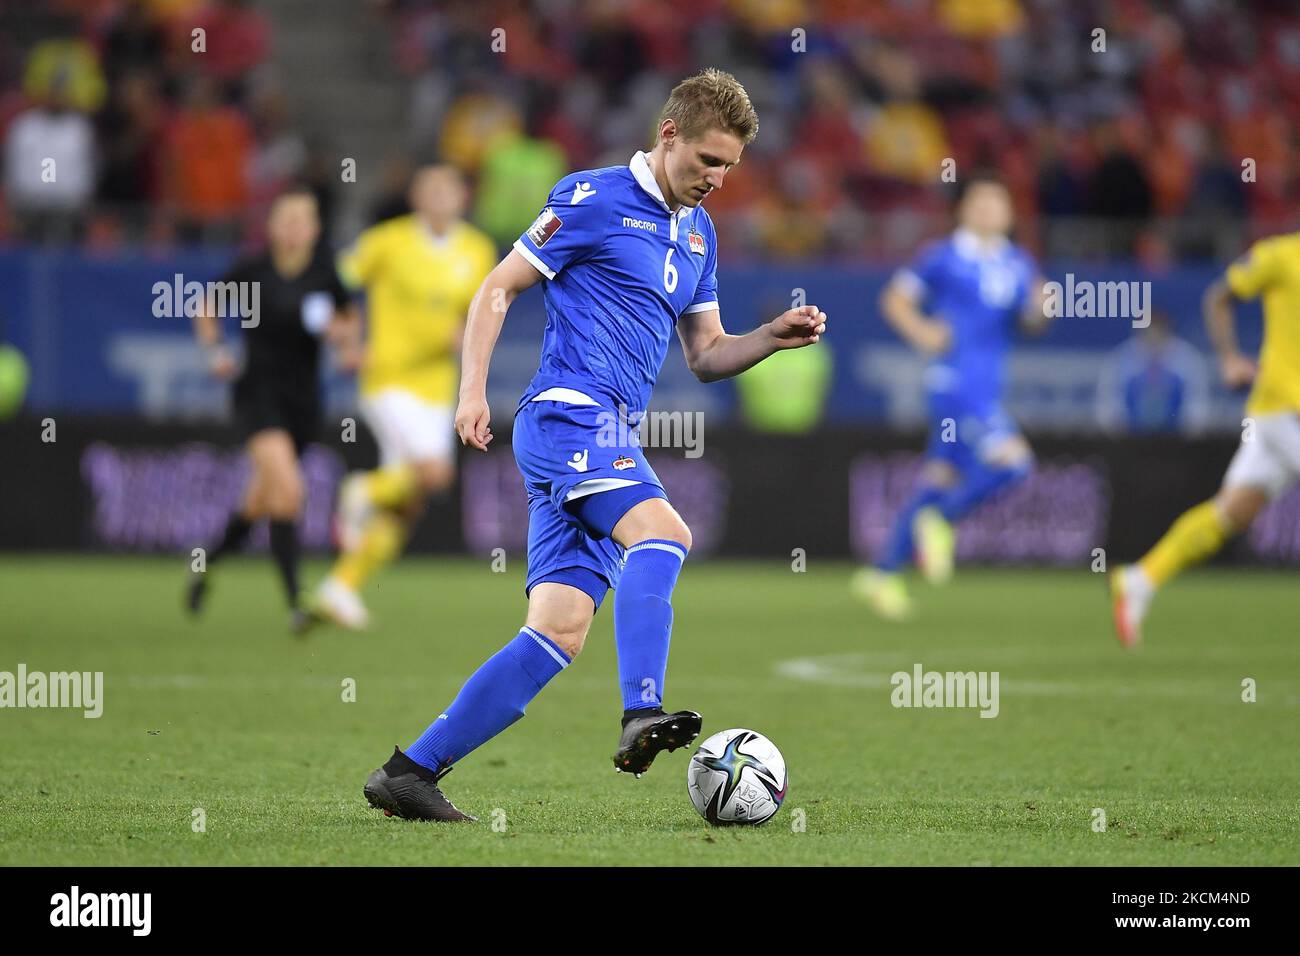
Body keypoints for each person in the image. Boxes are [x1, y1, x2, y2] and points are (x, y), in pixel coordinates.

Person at [361, 69, 828, 822]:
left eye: (729, 168)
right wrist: (471, 390)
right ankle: (641, 710)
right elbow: (497, 288)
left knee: (557, 631)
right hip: (568, 415)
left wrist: (772, 338)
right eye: (706, 160)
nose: (716, 179)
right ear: (668, 133)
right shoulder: (592, 198)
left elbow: (706, 356)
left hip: (603, 431)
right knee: (665, 534)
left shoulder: (700, 235)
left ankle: (409, 772)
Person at [310, 164, 496, 630]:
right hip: (388, 379)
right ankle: (360, 490)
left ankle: (340, 587)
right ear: (417, 195)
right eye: (430, 188)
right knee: (432, 474)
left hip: (437, 386)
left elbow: (481, 308)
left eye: (448, 189)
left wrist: (465, 333)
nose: (440, 198)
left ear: (462, 197)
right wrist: (345, 339)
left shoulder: (476, 250)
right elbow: (332, 288)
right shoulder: (387, 241)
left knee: (409, 501)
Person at [855, 173, 1047, 621]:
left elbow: (1033, 323)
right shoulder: (943, 257)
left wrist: (1043, 309)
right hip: (954, 385)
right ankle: (940, 522)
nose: (988, 210)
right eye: (979, 202)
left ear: (1009, 213)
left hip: (986, 386)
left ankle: (881, 574)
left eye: (996, 202)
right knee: (1015, 462)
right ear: (964, 210)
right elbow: (895, 299)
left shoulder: (1018, 263)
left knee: (937, 480)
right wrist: (923, 332)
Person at [1111, 233, 1300, 647]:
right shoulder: (1281, 256)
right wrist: (1230, 357)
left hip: (1277, 418)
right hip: (1283, 407)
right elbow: (1219, 296)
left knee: (1232, 513)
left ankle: (1140, 579)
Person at [188, 188, 357, 633]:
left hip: (303, 401)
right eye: (286, 219)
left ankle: (206, 567)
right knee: (289, 492)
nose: (294, 228)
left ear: (315, 229)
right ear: (272, 226)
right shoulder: (253, 269)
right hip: (258, 394)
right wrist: (215, 350)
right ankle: (297, 602)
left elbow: (348, 320)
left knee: (260, 500)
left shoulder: (324, 273)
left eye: (303, 220)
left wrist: (343, 339)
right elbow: (206, 306)